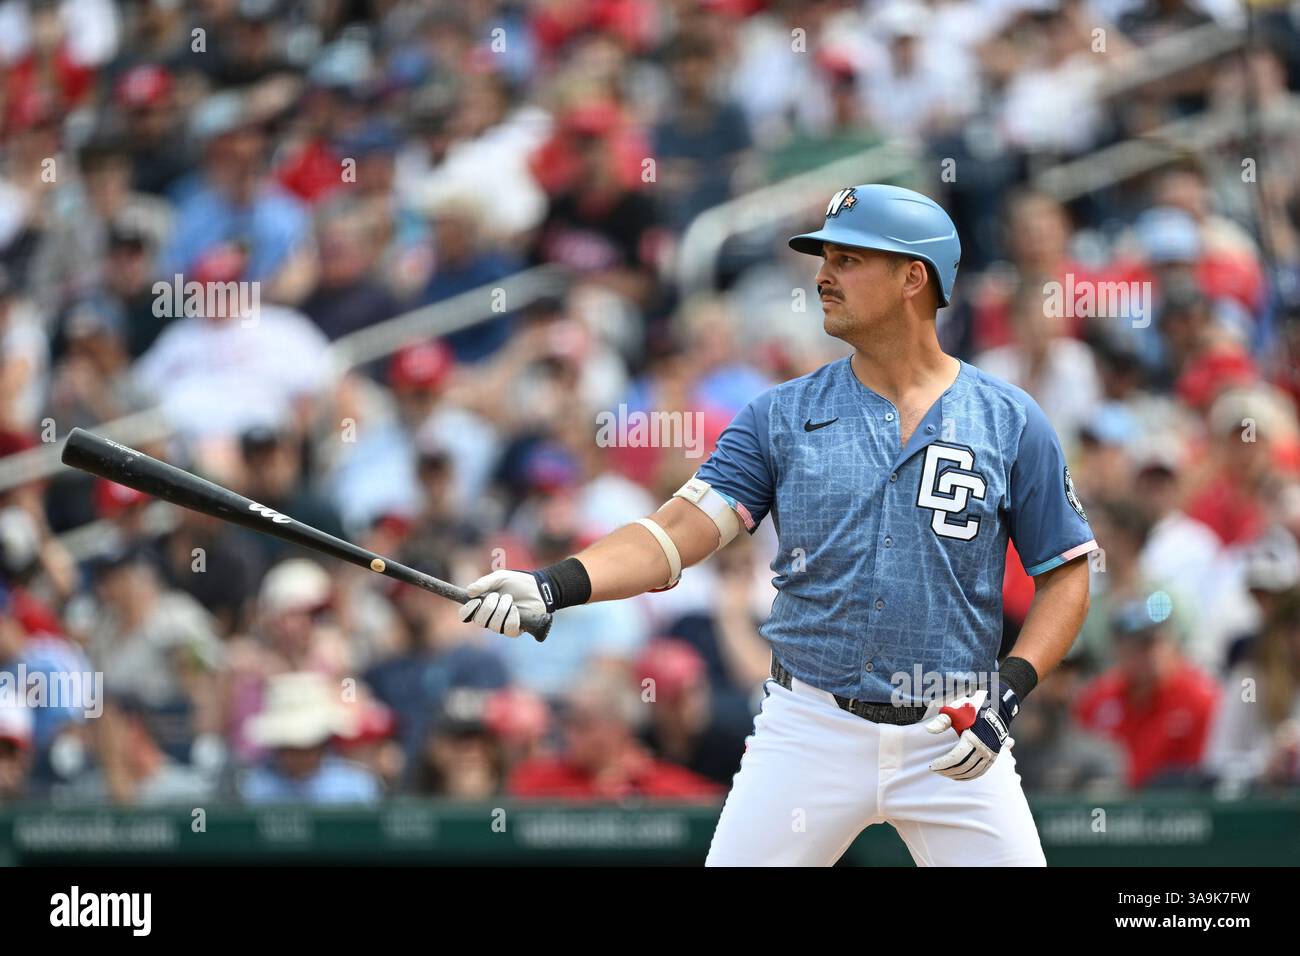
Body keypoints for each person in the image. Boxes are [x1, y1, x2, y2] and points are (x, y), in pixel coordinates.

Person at [460, 184, 1095, 866]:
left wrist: (1012, 687)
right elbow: (676, 531)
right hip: (811, 726)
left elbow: (1066, 573)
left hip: (953, 726)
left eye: (849, 259)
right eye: (825, 257)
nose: (823, 275)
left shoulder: (1010, 418)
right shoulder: (781, 414)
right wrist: (555, 584)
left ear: (916, 277)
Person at [1075, 598, 1220, 789]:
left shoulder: (1200, 698)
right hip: (1111, 810)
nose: (1153, 653)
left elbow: (1207, 773)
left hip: (1178, 812)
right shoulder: (1098, 699)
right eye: (1141, 644)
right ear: (1119, 649)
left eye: (1160, 641)